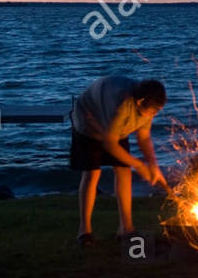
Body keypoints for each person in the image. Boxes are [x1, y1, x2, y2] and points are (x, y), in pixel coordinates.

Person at [71, 75, 168, 246]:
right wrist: (139, 165)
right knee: (92, 173)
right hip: (89, 118)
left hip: (114, 127)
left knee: (123, 170)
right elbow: (109, 143)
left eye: (156, 111)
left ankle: (126, 229)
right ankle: (84, 232)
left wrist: (153, 164)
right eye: (152, 111)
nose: (153, 114)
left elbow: (143, 137)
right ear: (140, 102)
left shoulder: (148, 102)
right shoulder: (122, 104)